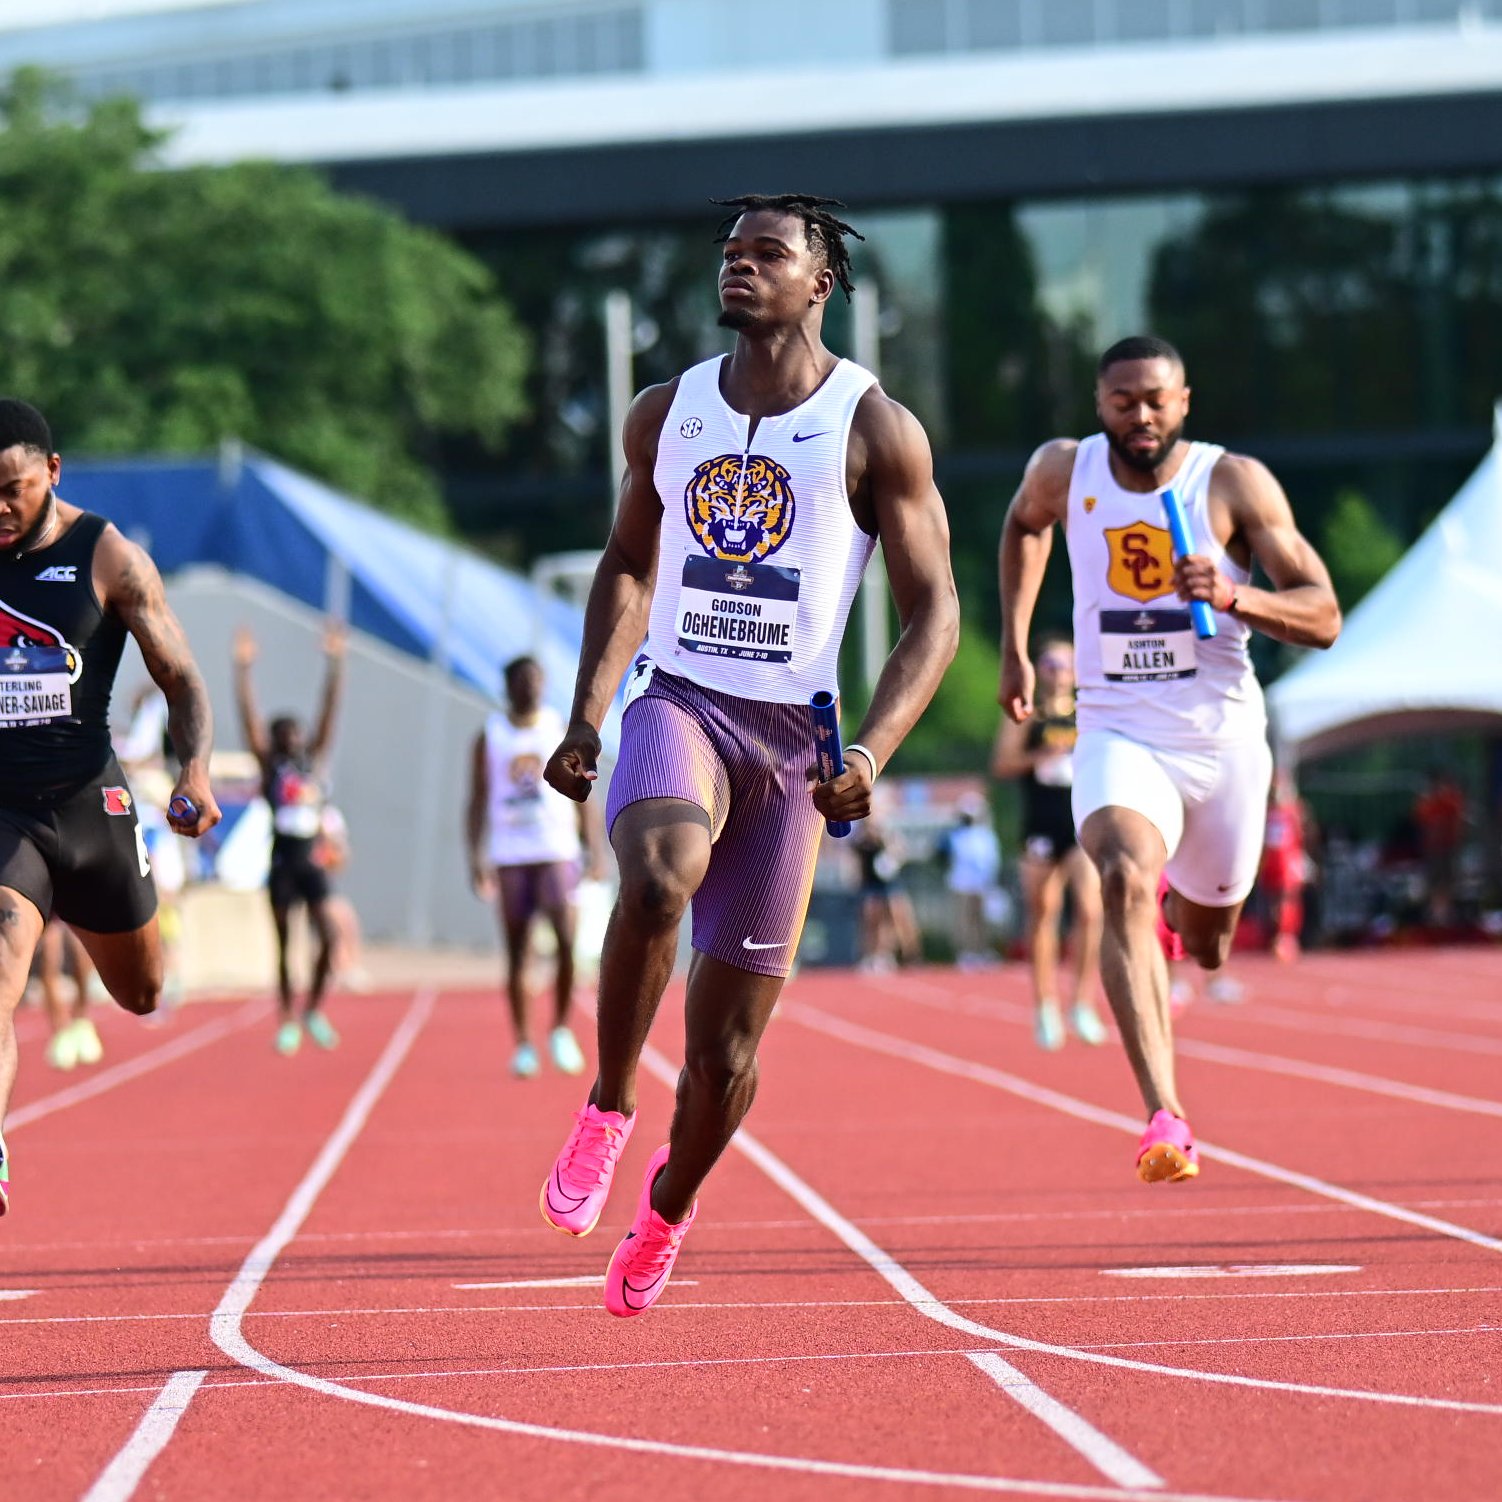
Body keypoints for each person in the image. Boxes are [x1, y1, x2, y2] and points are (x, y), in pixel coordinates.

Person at [539, 193, 959, 1315]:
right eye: (729, 252)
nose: (740, 266)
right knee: (657, 871)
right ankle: (609, 1100)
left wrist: (870, 748)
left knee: (725, 1054)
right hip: (679, 697)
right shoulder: (664, 412)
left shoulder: (876, 430)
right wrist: (587, 711)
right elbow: (628, 564)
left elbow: (934, 615)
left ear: (820, 279)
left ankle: (668, 1203)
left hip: (791, 747)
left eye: (766, 252)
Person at [998, 335, 1340, 1183]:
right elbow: (1023, 525)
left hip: (1219, 738)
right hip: (1118, 729)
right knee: (1119, 874)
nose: (1139, 416)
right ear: (1099, 403)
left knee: (1211, 938)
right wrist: (1011, 644)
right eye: (1123, 401)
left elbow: (1324, 612)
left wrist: (1231, 594)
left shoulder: (1230, 483)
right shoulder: (1064, 472)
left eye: (1156, 400)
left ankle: (1188, 933)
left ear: (1183, 401)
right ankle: (1165, 1114)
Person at [0, 398, 221, 1216]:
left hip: (92, 807)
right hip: (6, 817)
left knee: (141, 994)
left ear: (52, 473)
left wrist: (193, 772)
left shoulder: (109, 556)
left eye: (11, 489)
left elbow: (184, 680)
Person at [466, 654, 603, 1080]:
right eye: (523, 679)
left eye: (538, 679)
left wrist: (593, 846)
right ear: (508, 685)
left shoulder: (557, 725)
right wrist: (475, 856)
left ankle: (560, 1028)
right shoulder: (490, 735)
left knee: (565, 939)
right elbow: (475, 798)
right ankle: (524, 1043)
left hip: (555, 848)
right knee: (517, 949)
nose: (532, 686)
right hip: (510, 854)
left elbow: (585, 785)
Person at [233, 621, 347, 1055]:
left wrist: (335, 663)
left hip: (311, 860)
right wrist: (243, 671)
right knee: (285, 945)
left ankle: (313, 1009)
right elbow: (250, 722)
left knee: (330, 938)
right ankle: (286, 1018)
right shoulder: (271, 767)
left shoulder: (312, 762)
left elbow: (329, 713)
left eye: (296, 732)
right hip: (282, 859)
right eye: (284, 734)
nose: (292, 738)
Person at [990, 638, 1108, 1050]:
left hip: (1078, 822)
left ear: (1076, 672)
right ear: (1040, 670)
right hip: (1039, 823)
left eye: (1065, 664)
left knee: (1091, 909)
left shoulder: (1087, 713)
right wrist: (1042, 753)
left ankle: (1082, 1002)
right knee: (1044, 911)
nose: (1057, 671)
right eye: (1050, 663)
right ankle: (1044, 1005)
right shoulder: (1027, 713)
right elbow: (1003, 763)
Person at [853, 812, 922, 973]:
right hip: (871, 884)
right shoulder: (861, 839)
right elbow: (856, 860)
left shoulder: (887, 836)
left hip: (890, 884)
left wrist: (887, 842)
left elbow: (899, 852)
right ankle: (872, 955)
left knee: (898, 919)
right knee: (871, 918)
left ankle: (906, 956)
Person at [941, 794, 1001, 970]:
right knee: (964, 921)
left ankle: (982, 951)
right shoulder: (955, 835)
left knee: (982, 921)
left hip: (982, 884)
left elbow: (992, 860)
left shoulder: (986, 835)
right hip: (962, 883)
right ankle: (966, 953)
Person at [39, 919, 102, 1071]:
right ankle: (61, 1031)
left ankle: (81, 1021)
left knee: (82, 957)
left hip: (71, 902)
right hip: (48, 905)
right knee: (50, 957)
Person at [1413, 768, 1466, 928]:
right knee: (1435, 882)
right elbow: (1421, 822)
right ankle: (1436, 915)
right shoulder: (1428, 803)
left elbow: (1458, 821)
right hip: (1433, 849)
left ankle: (1446, 914)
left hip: (1447, 847)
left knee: (1448, 882)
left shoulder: (1450, 801)